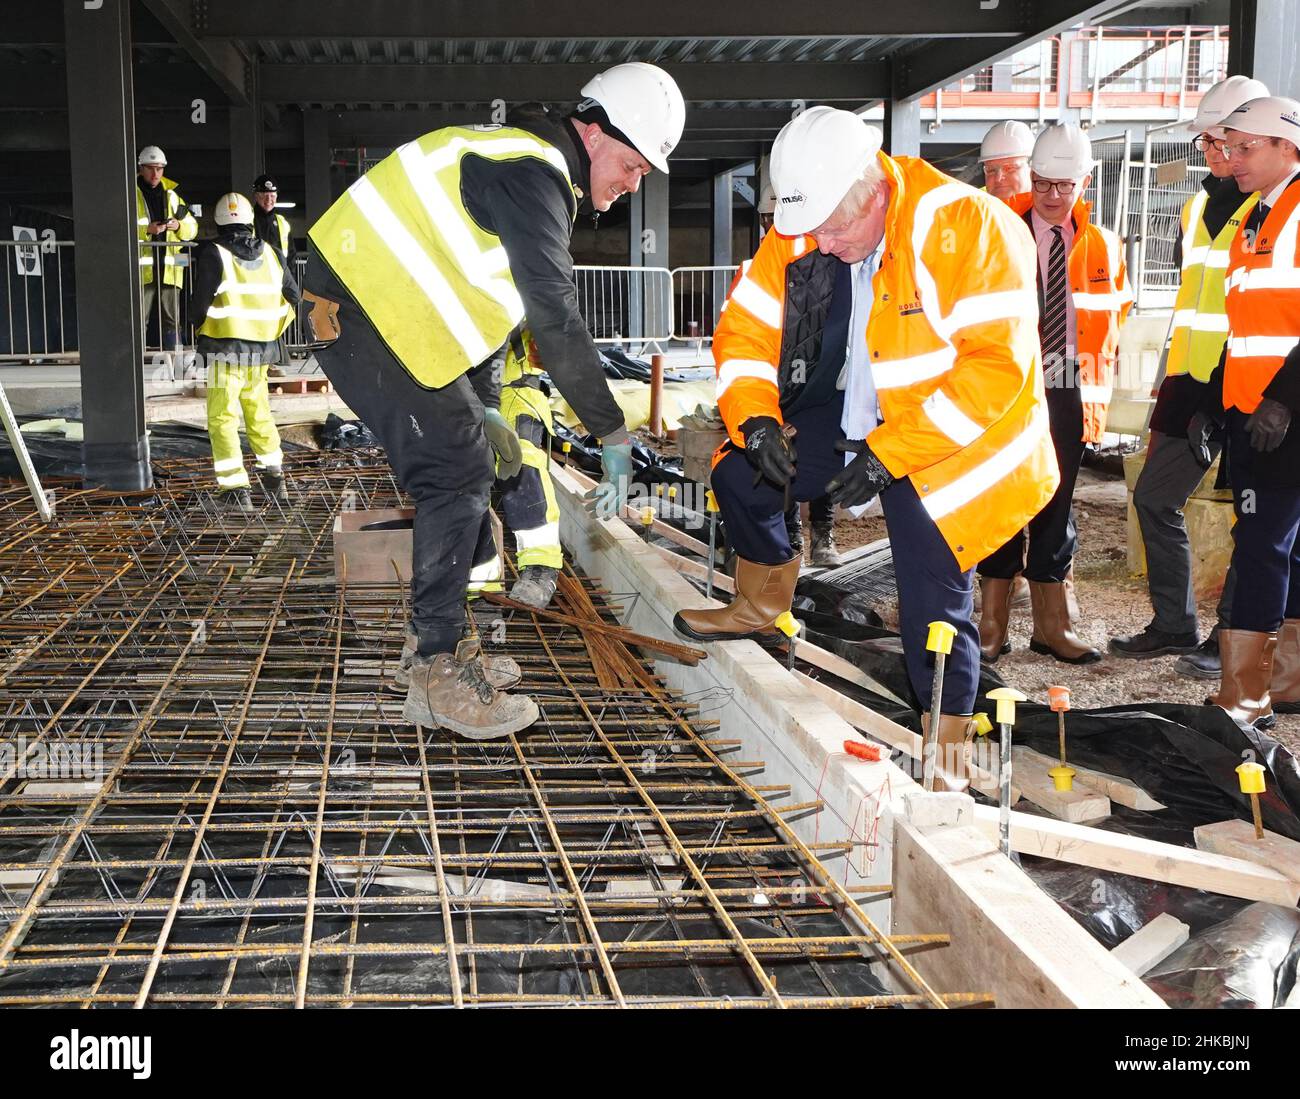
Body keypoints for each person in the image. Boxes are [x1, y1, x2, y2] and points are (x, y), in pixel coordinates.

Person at [673, 106, 1057, 790]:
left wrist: (890, 457)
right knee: (741, 476)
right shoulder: (805, 227)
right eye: (810, 228)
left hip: (951, 440)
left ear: (876, 190)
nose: (821, 241)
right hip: (855, 416)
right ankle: (762, 601)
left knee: (932, 594)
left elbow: (994, 371)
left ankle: (947, 756)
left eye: (835, 227)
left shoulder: (967, 225)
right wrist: (756, 420)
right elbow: (742, 335)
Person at [305, 62, 685, 741]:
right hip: (360, 311)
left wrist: (481, 407)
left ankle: (437, 644)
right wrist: (613, 434)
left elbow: (481, 313)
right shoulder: (533, 172)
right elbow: (554, 317)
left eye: (643, 176)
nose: (632, 184)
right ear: (594, 134)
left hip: (385, 316)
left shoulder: (524, 170)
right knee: (456, 469)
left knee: (468, 454)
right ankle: (433, 669)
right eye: (632, 165)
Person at [1111, 77, 1268, 671]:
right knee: (1153, 497)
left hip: (1249, 380)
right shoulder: (1198, 204)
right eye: (1205, 142)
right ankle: (1174, 625)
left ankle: (1227, 636)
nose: (1211, 152)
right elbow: (1189, 302)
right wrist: (1165, 383)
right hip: (1189, 380)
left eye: (1221, 140)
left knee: (1252, 517)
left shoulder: (1271, 207)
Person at [976, 124, 1132, 666]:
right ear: (1032, 178)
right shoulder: (998, 232)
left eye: (1065, 185)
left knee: (1056, 498)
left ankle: (1052, 625)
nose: (1052, 195)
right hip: (1008, 383)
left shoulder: (1103, 244)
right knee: (1001, 496)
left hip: (1067, 383)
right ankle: (991, 621)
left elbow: (1113, 321)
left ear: (1084, 182)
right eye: (1043, 183)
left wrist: (1091, 392)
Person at [1201, 95, 1300, 728]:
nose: (1231, 159)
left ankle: (1243, 696)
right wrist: (1215, 400)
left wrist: (1284, 397)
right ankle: (1283, 680)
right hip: (1256, 410)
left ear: (1288, 147)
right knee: (1284, 547)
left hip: (1281, 415)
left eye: (1245, 147)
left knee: (1262, 544)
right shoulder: (1255, 217)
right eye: (1228, 147)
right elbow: (1248, 328)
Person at [189, 193, 298, 510]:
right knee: (259, 412)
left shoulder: (214, 253)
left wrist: (201, 328)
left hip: (225, 350)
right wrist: (273, 329)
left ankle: (235, 489)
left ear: (219, 222)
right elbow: (292, 295)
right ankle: (274, 480)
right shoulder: (272, 253)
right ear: (249, 220)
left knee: (222, 418)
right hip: (261, 352)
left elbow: (200, 306)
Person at [755, 181, 843, 566]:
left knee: (820, 450)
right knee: (780, 458)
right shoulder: (760, 266)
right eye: (770, 219)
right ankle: (792, 538)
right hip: (776, 382)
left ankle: (823, 534)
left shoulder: (824, 257)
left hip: (817, 375)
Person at [136, 146, 197, 358]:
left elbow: (192, 227)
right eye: (151, 168)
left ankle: (176, 358)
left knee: (172, 319)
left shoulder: (172, 196)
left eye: (159, 169)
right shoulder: (129, 195)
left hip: (170, 269)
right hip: (143, 271)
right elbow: (120, 228)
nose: (155, 174)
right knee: (139, 319)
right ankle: (138, 362)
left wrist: (178, 226)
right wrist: (146, 231)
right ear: (141, 168)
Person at [978, 120, 1034, 203]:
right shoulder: (975, 209)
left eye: (1009, 168)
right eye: (991, 170)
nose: (998, 178)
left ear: (1033, 170)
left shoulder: (1051, 213)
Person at [251, 173, 295, 262]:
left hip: (280, 274)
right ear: (256, 196)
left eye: (272, 196)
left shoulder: (282, 223)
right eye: (264, 196)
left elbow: (291, 255)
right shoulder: (247, 220)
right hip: (256, 274)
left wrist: (290, 275)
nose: (268, 200)